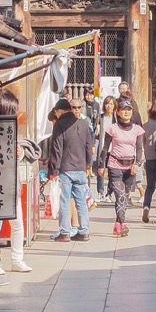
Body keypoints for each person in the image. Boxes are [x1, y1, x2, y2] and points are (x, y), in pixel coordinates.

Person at [0, 88, 34, 275]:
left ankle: (17, 258)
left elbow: (16, 153)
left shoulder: (11, 128)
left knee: (17, 223)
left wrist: (20, 153)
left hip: (11, 182)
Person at [47, 96, 94, 242]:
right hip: (81, 168)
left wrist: (53, 170)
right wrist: (88, 165)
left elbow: (57, 149)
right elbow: (89, 146)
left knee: (65, 200)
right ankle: (84, 231)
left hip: (66, 168)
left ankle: (65, 232)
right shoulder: (84, 123)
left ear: (60, 111)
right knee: (80, 201)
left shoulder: (60, 124)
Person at [98, 98, 144, 236]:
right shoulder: (112, 128)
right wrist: (101, 165)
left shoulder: (138, 129)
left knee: (125, 196)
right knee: (120, 194)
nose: (126, 112)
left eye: (129, 110)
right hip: (115, 164)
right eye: (123, 110)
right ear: (117, 112)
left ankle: (118, 223)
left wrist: (137, 164)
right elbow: (105, 148)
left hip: (131, 167)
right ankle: (122, 223)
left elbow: (140, 149)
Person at [95, 97, 117, 200]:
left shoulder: (116, 118)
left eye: (112, 104)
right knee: (100, 169)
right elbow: (96, 132)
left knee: (112, 171)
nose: (109, 106)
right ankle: (100, 192)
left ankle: (109, 193)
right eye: (108, 104)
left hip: (114, 147)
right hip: (102, 146)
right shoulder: (101, 117)